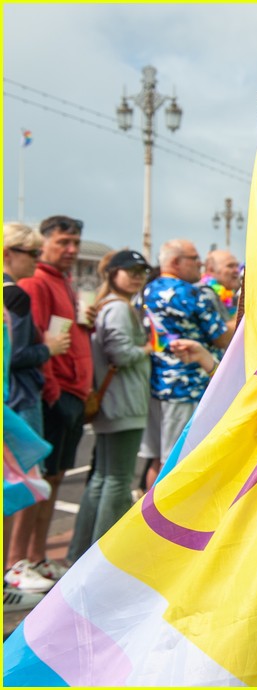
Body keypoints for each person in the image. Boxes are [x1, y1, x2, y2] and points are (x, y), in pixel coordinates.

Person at [7, 215, 92, 587]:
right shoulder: (31, 285)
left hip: (59, 393)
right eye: (62, 243)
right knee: (29, 482)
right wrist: (54, 389)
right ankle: (17, 561)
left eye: (75, 243)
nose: (70, 250)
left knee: (48, 480)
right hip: (41, 395)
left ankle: (35, 556)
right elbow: (26, 348)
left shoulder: (61, 283)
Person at [68, 249, 153, 561]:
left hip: (111, 403)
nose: (137, 276)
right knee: (116, 481)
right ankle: (100, 559)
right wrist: (145, 349)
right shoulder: (118, 309)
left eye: (142, 271)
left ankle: (82, 553)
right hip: (124, 404)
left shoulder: (103, 306)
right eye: (130, 270)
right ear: (113, 273)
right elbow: (121, 353)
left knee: (102, 479)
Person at [3, 222, 69, 603]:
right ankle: (16, 564)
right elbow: (17, 357)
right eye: (32, 253)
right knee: (24, 484)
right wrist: (48, 348)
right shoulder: (16, 296)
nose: (38, 260)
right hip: (19, 402)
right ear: (10, 252)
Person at [139, 239, 231, 494]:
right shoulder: (189, 293)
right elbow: (222, 337)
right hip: (188, 385)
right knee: (179, 462)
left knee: (157, 461)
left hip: (157, 384)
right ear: (176, 262)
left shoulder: (148, 290)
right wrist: (244, 317)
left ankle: (146, 523)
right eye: (194, 258)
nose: (200, 264)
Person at [199, 249, 241, 321]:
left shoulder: (231, 294)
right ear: (211, 270)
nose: (237, 270)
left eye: (237, 266)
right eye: (230, 266)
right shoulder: (203, 295)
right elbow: (223, 331)